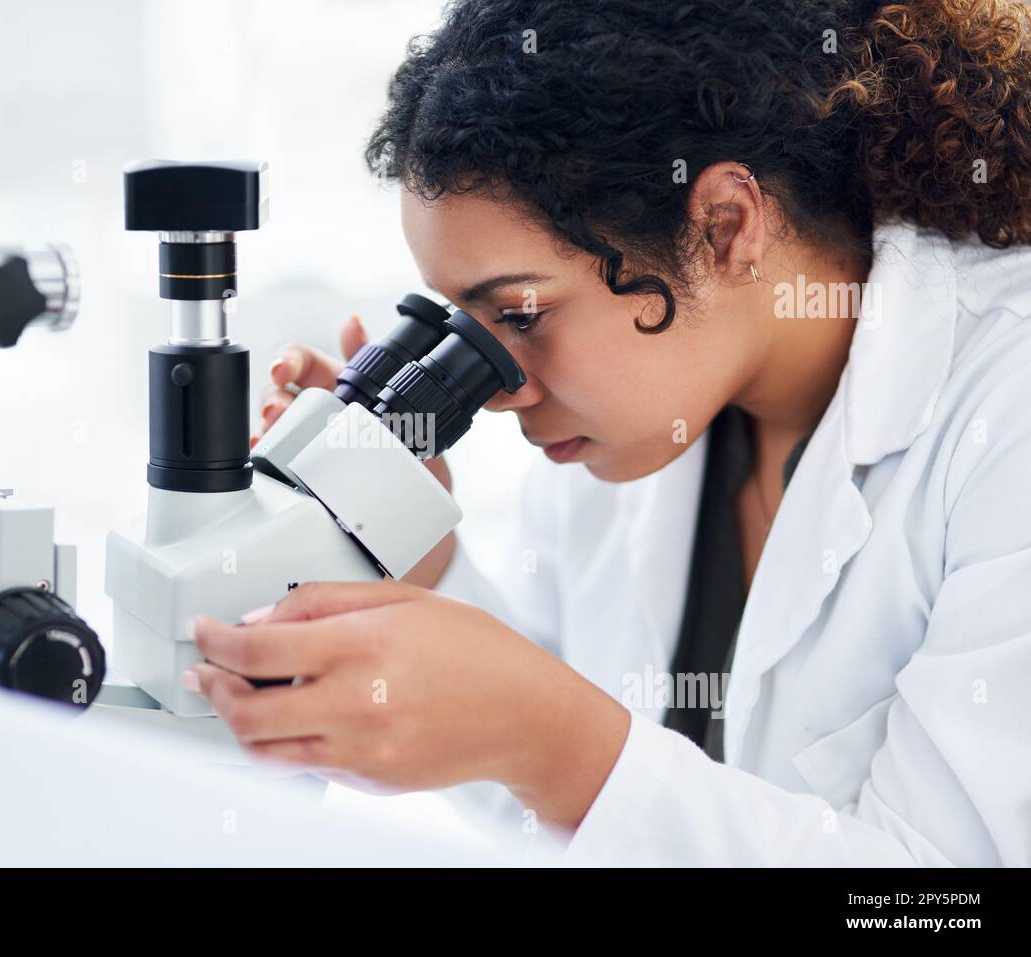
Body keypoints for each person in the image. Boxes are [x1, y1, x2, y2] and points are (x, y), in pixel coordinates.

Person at [182, 0, 1031, 865]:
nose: (497, 390)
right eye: (460, 323)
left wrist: (553, 738)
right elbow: (553, 800)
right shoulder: (640, 416)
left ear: (726, 227)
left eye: (519, 312)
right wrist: (422, 562)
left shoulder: (1009, 409)